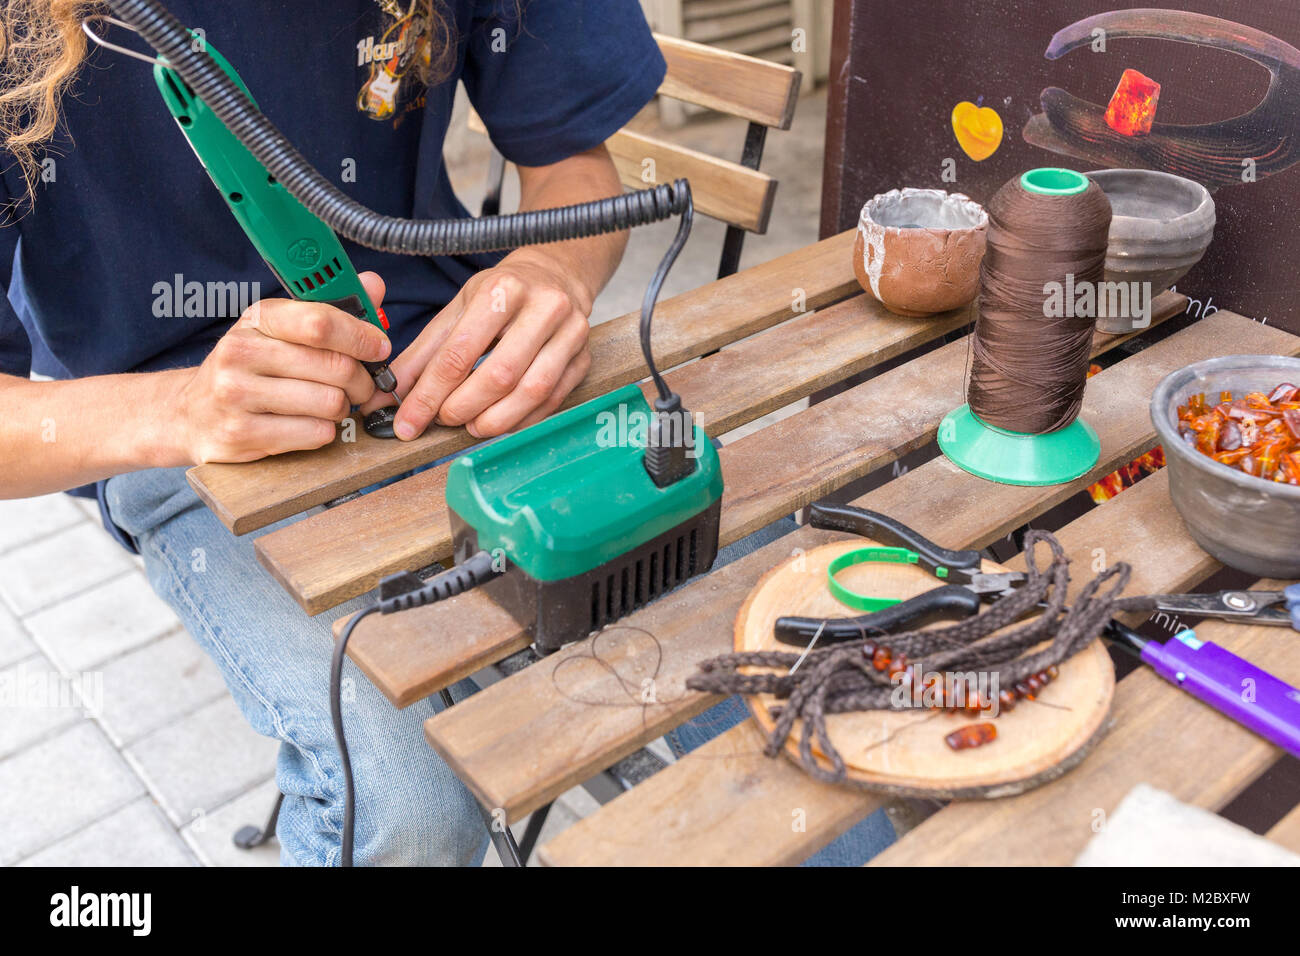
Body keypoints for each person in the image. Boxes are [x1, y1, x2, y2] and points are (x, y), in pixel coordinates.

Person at [0, 0, 894, 865]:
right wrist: (182, 410)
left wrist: (557, 270)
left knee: (781, 653)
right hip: (187, 441)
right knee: (401, 803)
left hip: (450, 367)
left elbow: (574, 166)